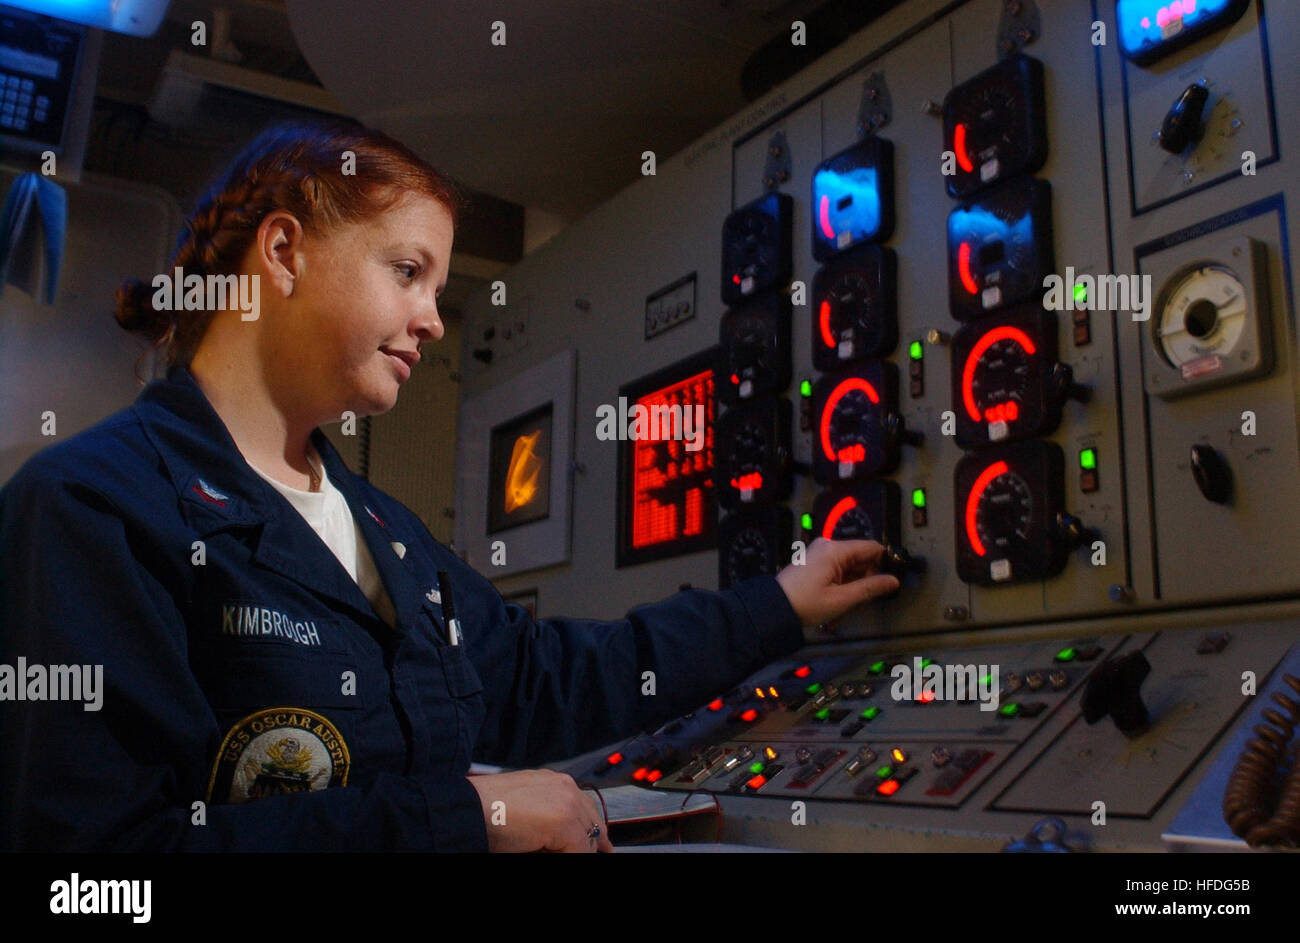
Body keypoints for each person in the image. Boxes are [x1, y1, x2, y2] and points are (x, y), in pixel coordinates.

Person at [0, 120, 901, 853]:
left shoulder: (385, 535)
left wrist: (781, 602)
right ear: (282, 252)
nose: (435, 318)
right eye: (408, 271)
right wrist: (474, 818)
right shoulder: (91, 507)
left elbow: (551, 679)